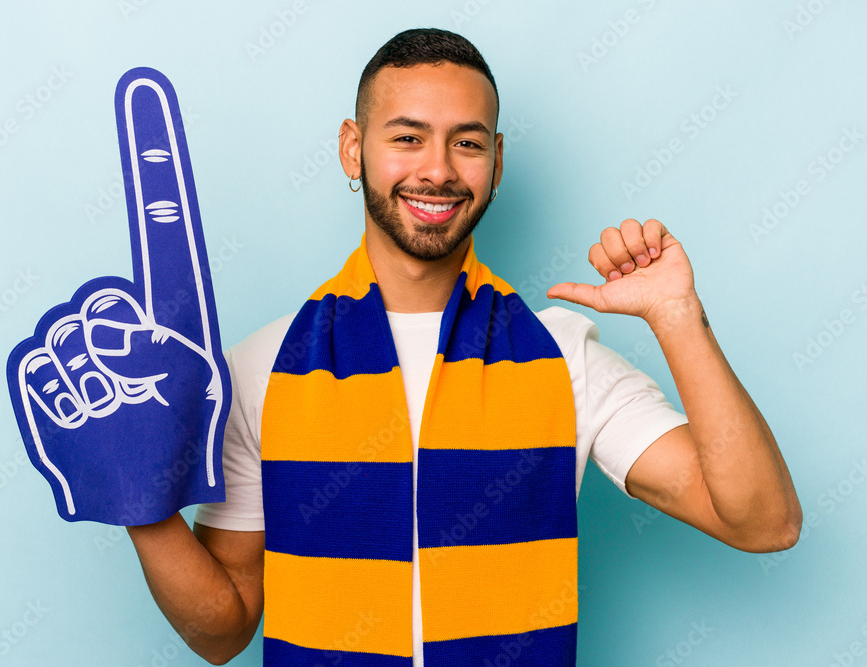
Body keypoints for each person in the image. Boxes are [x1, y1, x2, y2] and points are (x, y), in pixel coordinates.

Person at [125, 28, 801, 666]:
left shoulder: (562, 357)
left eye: (468, 143)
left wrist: (680, 317)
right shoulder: (260, 368)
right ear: (352, 148)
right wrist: (135, 495)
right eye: (408, 137)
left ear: (497, 161)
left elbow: (762, 521)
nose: (439, 170)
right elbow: (223, 630)